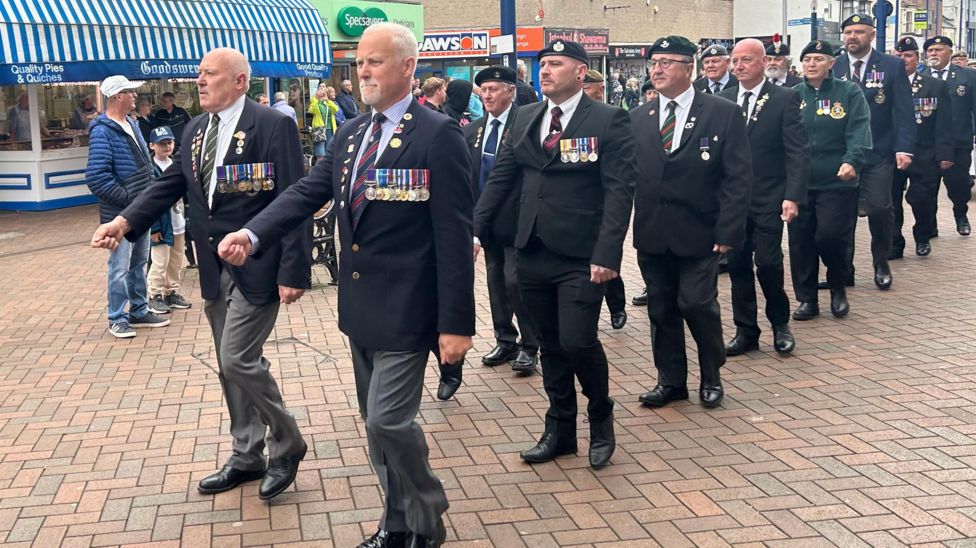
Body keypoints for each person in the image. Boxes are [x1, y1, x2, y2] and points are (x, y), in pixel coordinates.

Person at [218, 23, 473, 548]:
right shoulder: (352, 133)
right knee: (373, 426)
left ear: (408, 67)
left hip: (410, 307)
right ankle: (397, 522)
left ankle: (427, 511)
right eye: (359, 63)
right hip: (360, 308)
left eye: (375, 62)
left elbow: (453, 235)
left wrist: (456, 324)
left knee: (387, 421)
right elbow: (308, 191)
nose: (363, 72)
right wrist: (251, 231)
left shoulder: (437, 134)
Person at [90, 48, 313, 501]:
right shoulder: (194, 130)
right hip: (212, 269)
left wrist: (295, 269)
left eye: (210, 74)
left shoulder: (273, 125)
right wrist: (124, 222)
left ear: (240, 81)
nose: (200, 81)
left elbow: (297, 199)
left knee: (236, 358)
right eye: (199, 74)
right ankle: (247, 454)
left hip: (259, 265)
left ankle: (287, 442)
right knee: (230, 367)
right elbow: (168, 186)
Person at [475, 39, 635, 470]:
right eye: (542, 64)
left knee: (578, 340)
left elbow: (619, 192)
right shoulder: (526, 118)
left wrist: (608, 253)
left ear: (580, 72)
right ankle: (560, 429)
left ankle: (601, 417)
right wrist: (475, 230)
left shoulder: (608, 120)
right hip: (533, 250)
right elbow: (501, 180)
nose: (545, 71)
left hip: (582, 256)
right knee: (549, 343)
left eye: (555, 64)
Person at [630, 36, 751, 410]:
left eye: (667, 61)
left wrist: (729, 229)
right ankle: (671, 381)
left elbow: (737, 177)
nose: (658, 68)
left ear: (689, 68)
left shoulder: (722, 112)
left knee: (697, 303)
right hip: (653, 232)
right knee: (661, 308)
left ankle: (711, 374)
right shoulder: (638, 117)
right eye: (654, 61)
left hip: (701, 231)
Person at [718, 39, 809, 356]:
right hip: (732, 201)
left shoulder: (784, 98)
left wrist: (793, 195)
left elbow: (797, 151)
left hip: (769, 196)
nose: (738, 66)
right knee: (738, 265)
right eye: (734, 61)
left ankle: (780, 324)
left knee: (768, 262)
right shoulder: (723, 100)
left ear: (762, 62)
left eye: (745, 60)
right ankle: (746, 331)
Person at [790, 40, 872, 321]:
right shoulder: (793, 95)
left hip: (837, 182)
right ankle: (807, 299)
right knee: (801, 242)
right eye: (807, 59)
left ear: (831, 64)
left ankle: (838, 286)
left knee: (829, 237)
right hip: (800, 183)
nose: (812, 64)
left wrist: (852, 160)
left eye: (818, 59)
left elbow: (859, 129)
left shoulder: (848, 93)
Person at [833, 14, 916, 291]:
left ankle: (881, 261)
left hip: (878, 151)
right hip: (842, 153)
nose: (852, 37)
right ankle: (844, 269)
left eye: (859, 31)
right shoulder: (834, 63)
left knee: (880, 208)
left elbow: (904, 110)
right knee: (842, 213)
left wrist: (904, 148)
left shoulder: (891, 66)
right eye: (848, 32)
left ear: (872, 35)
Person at [468, 66, 539, 379]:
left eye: (494, 89)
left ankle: (530, 344)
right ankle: (504, 339)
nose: (487, 95)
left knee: (515, 280)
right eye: (483, 90)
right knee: (496, 281)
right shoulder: (473, 131)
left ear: (511, 91)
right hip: (486, 221)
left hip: (519, 219)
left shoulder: (528, 123)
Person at [86, 75, 170, 338]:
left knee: (138, 263)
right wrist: (129, 201)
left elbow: (145, 166)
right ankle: (117, 317)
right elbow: (97, 177)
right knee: (120, 267)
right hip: (120, 213)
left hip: (139, 210)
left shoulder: (132, 123)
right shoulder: (102, 131)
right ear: (117, 96)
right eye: (130, 92)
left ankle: (138, 309)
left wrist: (145, 201)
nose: (136, 96)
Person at [891, 37, 954, 258]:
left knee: (922, 199)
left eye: (908, 55)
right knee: (890, 201)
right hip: (891, 152)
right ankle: (894, 243)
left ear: (917, 58)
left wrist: (945, 154)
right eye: (898, 56)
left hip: (924, 153)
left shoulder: (934, 85)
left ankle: (922, 236)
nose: (902, 60)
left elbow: (944, 123)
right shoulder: (882, 84)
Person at [582, 68, 628, 330]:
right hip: (583, 207)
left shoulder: (613, 117)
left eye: (590, 87)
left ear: (600, 89)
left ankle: (617, 307)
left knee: (610, 261)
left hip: (605, 205)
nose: (585, 91)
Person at [925, 36, 975, 236]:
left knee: (958, 184)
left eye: (938, 49)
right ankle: (929, 226)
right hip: (927, 143)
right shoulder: (919, 76)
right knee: (927, 188)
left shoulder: (968, 76)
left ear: (950, 52)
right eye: (930, 51)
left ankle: (960, 214)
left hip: (958, 141)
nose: (934, 54)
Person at [145, 126, 193, 315]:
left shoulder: (177, 164)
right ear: (152, 145)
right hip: (162, 224)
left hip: (178, 221)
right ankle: (154, 295)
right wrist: (154, 227)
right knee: (160, 261)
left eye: (169, 142)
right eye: (162, 143)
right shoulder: (151, 169)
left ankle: (171, 292)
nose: (166, 146)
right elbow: (149, 201)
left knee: (176, 260)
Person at [308, 88, 338, 161]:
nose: (322, 94)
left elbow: (335, 109)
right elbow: (311, 111)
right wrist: (316, 98)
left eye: (323, 93)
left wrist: (327, 100)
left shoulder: (327, 103)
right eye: (320, 93)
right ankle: (320, 169)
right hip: (319, 130)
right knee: (320, 152)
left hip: (330, 129)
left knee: (329, 151)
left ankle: (327, 169)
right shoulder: (315, 103)